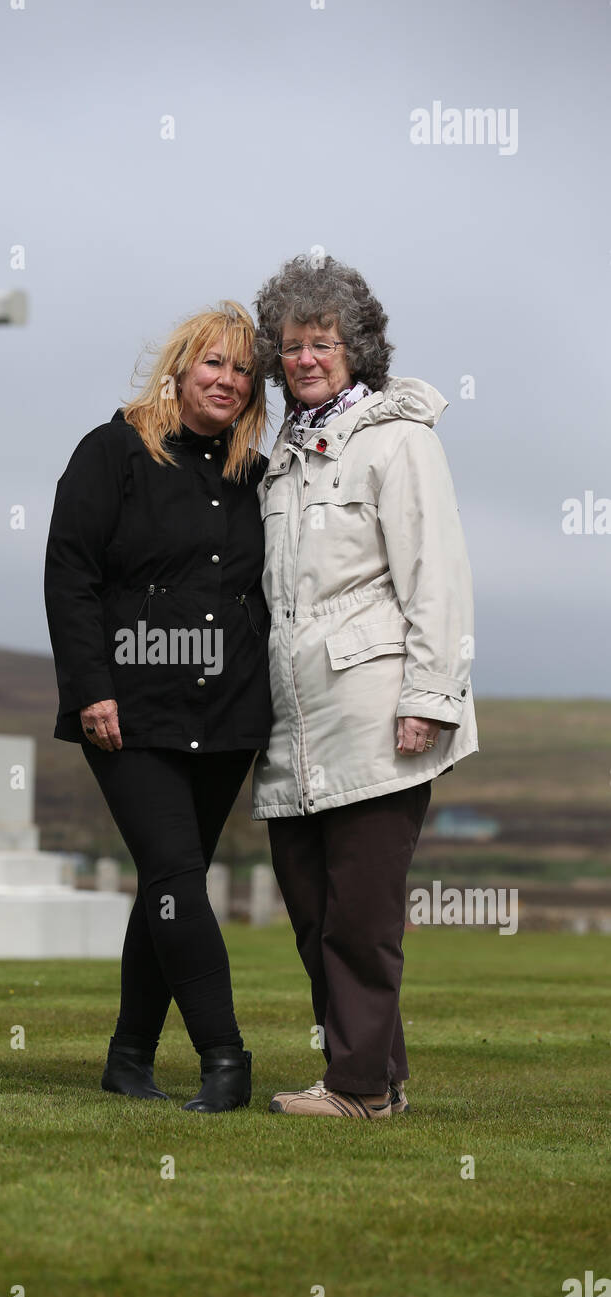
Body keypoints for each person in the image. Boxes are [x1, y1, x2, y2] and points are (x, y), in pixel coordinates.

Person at [251, 254, 478, 1118]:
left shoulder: (399, 442)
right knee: (314, 917)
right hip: (295, 722)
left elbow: (436, 577)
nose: (305, 358)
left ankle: (354, 1091)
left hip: (378, 711)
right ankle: (380, 1077)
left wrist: (430, 696)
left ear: (356, 348)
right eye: (292, 346)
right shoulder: (283, 458)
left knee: (361, 919)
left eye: (322, 342)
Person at [43, 301, 271, 1112]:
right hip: (130, 710)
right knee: (175, 874)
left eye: (244, 371)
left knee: (166, 882)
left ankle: (128, 1055)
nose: (229, 381)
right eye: (214, 363)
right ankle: (224, 1060)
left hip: (229, 713)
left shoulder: (253, 474)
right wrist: (90, 686)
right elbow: (70, 574)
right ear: (178, 368)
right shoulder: (112, 453)